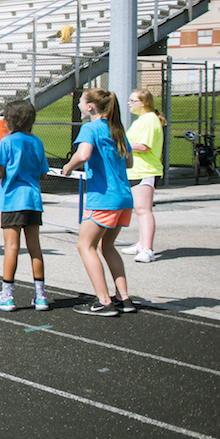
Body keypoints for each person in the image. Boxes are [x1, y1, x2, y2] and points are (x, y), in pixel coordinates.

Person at [61, 88, 135, 316]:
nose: (79, 107)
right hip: (124, 197)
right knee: (107, 245)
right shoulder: (117, 130)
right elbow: (129, 162)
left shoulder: (90, 128)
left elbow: (83, 154)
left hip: (104, 199)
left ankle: (104, 301)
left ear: (90, 107)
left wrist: (68, 167)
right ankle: (124, 297)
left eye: (81, 103)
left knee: (85, 246)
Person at [0, 100, 50, 312]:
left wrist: (2, 173)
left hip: (13, 200)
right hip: (33, 199)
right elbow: (43, 173)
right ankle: (40, 296)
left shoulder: (7, 141)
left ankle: (7, 295)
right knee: (35, 247)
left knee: (11, 247)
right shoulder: (37, 141)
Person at [122, 88, 165, 263]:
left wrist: (122, 144)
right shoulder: (141, 120)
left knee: (144, 210)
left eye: (133, 101)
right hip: (135, 170)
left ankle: (147, 249)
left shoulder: (150, 120)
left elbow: (144, 146)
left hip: (146, 171)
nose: (129, 103)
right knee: (138, 210)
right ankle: (141, 243)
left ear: (144, 103)